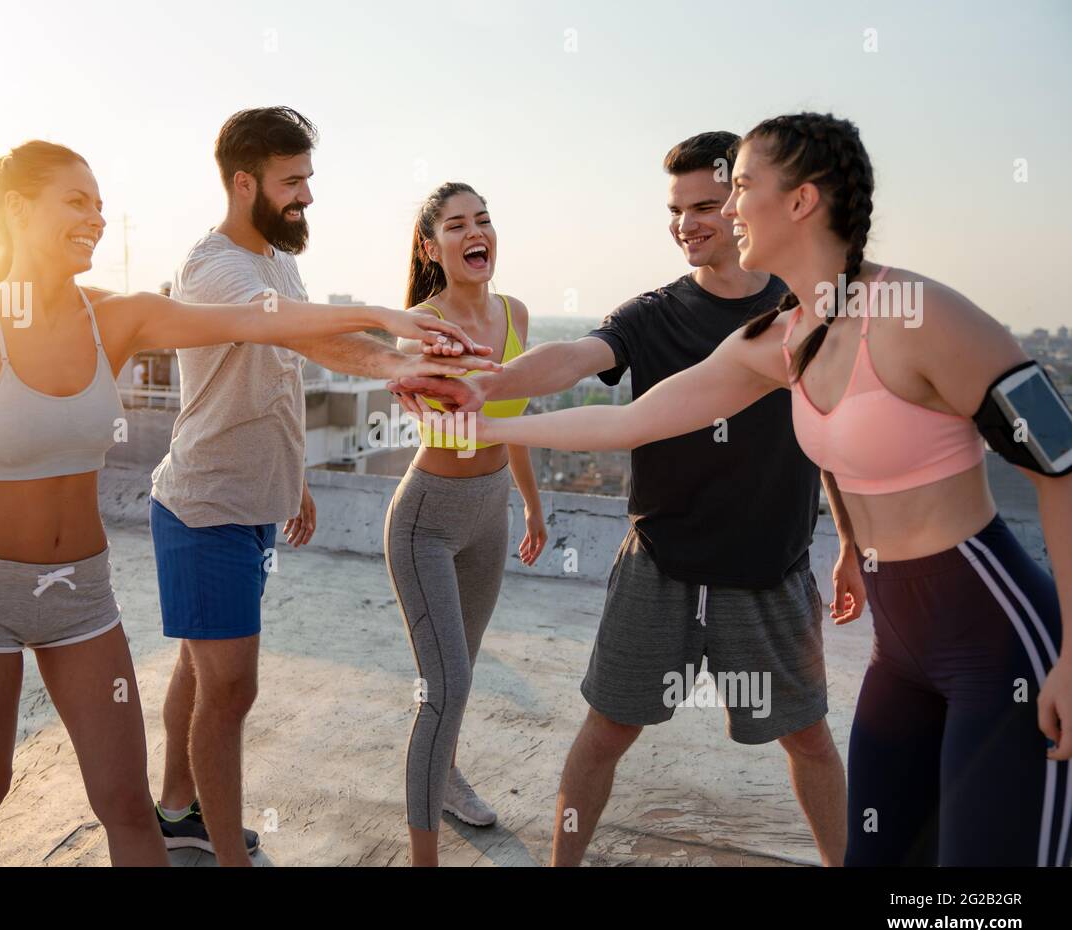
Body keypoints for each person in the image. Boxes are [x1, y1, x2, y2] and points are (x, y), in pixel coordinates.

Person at [406, 112, 1072, 866]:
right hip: (898, 653)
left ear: (800, 202)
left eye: (738, 189)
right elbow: (637, 420)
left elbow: (1061, 461)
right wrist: (488, 417)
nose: (721, 213)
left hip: (993, 638)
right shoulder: (783, 339)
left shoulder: (918, 315)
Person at [0, 138, 487, 867]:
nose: (96, 218)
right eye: (76, 201)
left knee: (124, 803)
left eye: (100, 205)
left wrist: (392, 335)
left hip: (83, 596)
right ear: (18, 211)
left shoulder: (120, 316)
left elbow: (262, 322)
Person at [395, 132, 856, 866]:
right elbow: (575, 356)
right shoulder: (652, 313)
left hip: (769, 573)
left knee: (810, 740)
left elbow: (824, 427)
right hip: (659, 567)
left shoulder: (800, 312)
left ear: (741, 200)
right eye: (675, 210)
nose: (687, 224)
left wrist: (851, 548)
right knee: (603, 734)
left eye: (705, 205)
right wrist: (491, 385)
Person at [149, 108, 495, 866]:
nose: (307, 195)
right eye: (292, 181)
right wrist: (386, 320)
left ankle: (177, 807)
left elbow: (299, 346)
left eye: (309, 179)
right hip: (206, 506)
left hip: (253, 500)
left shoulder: (275, 255)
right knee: (230, 690)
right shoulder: (216, 267)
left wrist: (386, 376)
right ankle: (223, 852)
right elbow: (274, 322)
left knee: (200, 665)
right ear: (244, 184)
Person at [383, 182, 546, 867]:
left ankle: (445, 774)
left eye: (483, 219)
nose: (476, 231)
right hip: (428, 519)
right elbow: (431, 414)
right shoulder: (422, 320)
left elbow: (514, 422)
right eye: (456, 224)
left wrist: (532, 504)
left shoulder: (516, 313)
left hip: (491, 513)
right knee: (442, 688)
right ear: (431, 246)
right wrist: (430, 401)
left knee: (462, 671)